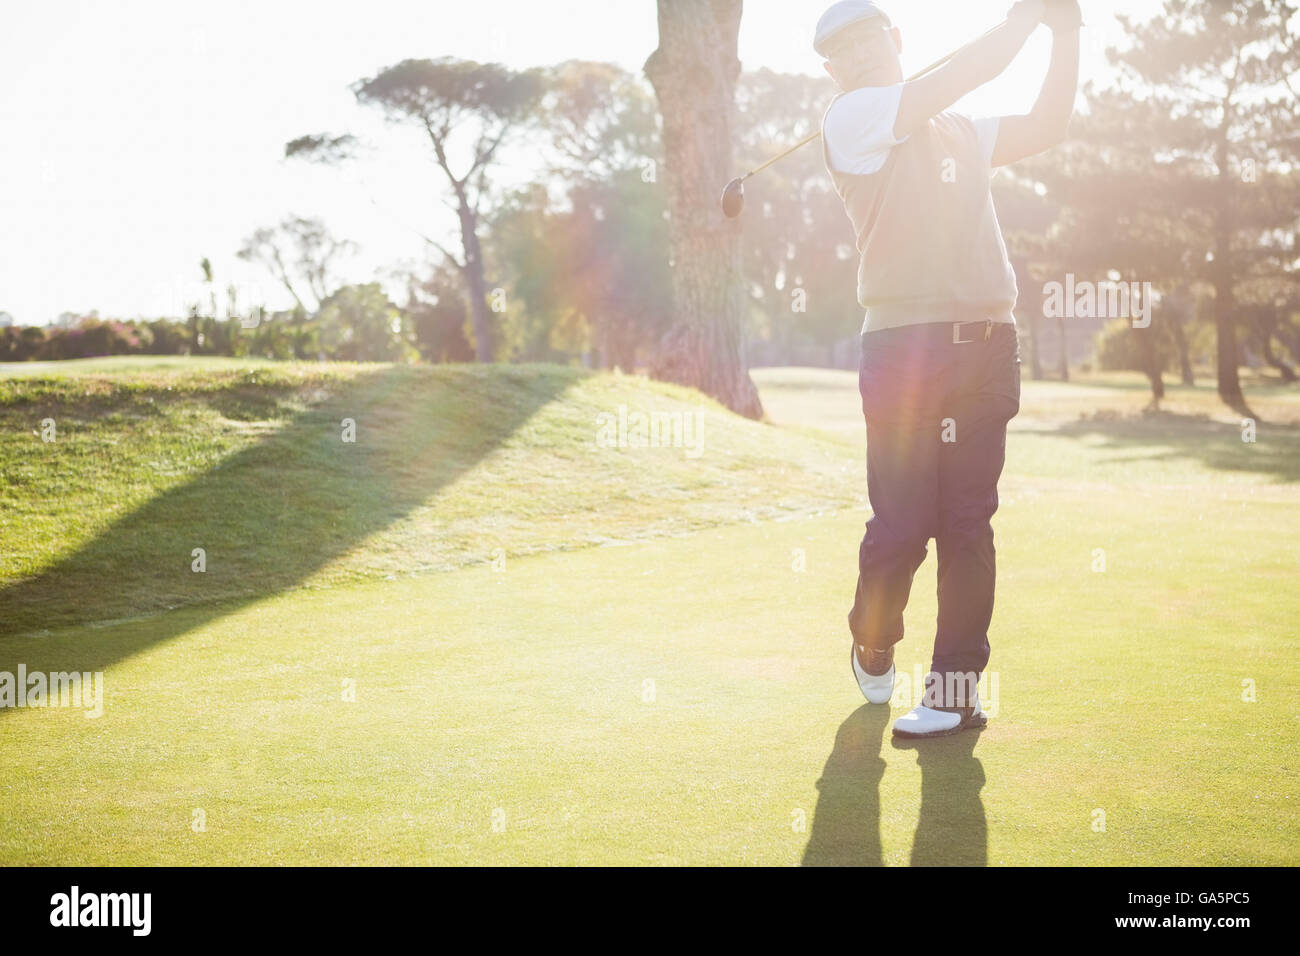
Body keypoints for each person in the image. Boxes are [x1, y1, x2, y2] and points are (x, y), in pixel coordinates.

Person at [814, 0, 1081, 738]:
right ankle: (873, 638)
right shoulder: (852, 119)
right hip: (904, 351)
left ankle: (954, 693)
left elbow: (1049, 123)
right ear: (832, 71)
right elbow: (970, 71)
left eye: (868, 41)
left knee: (968, 525)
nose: (857, 57)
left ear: (896, 40)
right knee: (903, 529)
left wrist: (1067, 33)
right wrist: (1026, 19)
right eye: (841, 53)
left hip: (986, 346)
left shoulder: (962, 131)